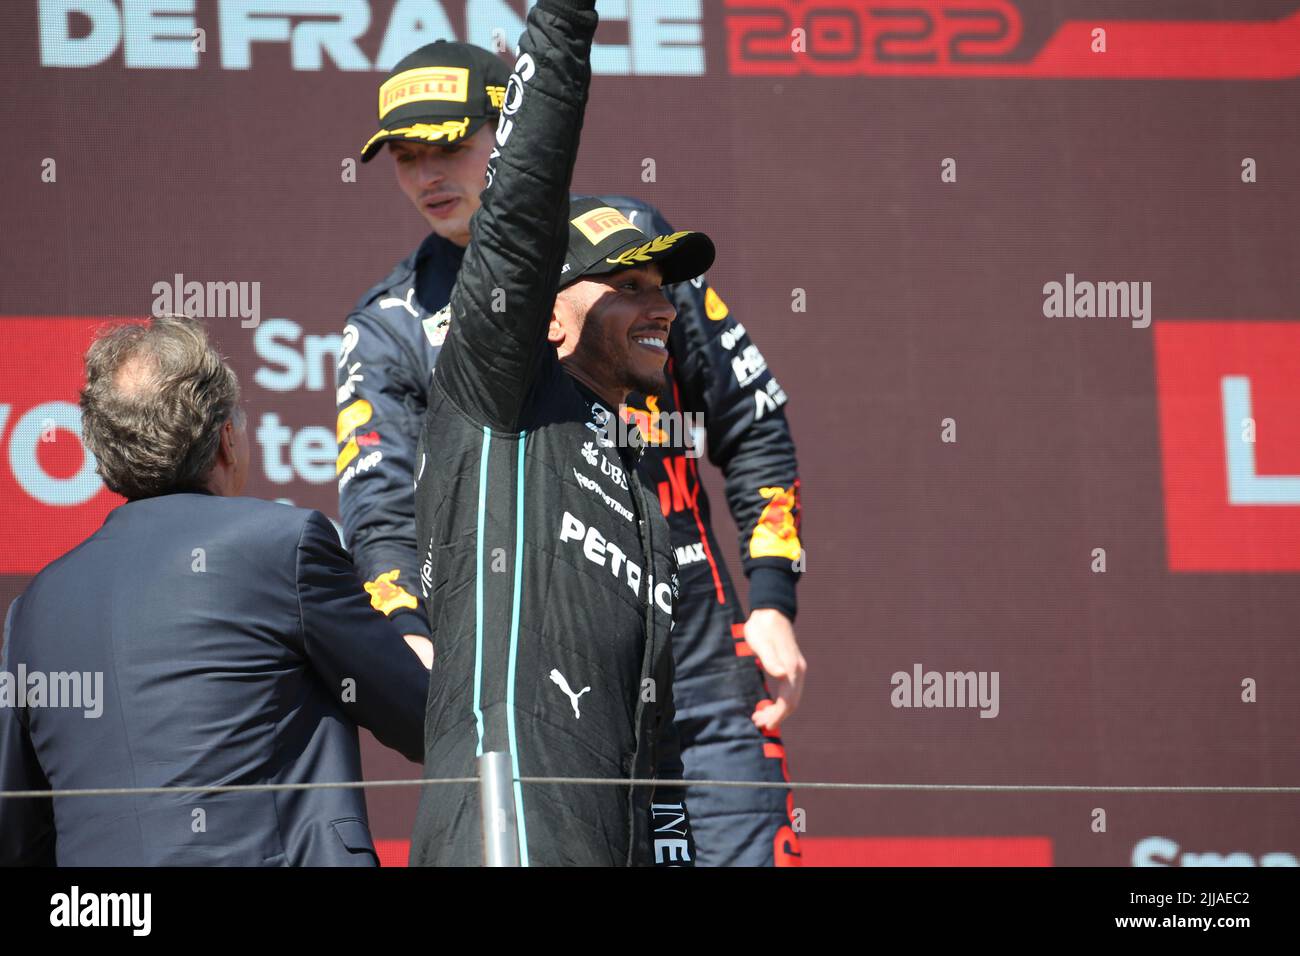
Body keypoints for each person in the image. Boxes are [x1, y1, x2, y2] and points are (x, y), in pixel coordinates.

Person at [339, 41, 807, 865]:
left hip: (697, 673)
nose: (427, 177)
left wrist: (770, 598)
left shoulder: (627, 245)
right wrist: (409, 626)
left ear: (509, 133)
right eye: (406, 159)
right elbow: (379, 510)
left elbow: (751, 422)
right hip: (545, 699)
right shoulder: (390, 325)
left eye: (449, 145)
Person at [391, 0, 712, 867]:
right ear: (546, 318)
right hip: (506, 832)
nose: (659, 308)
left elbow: (657, 747)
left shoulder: (639, 472)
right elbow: (520, 215)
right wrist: (564, 25)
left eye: (660, 286)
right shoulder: (498, 395)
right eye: (624, 284)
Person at [0, 315, 428, 866]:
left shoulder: (35, 609)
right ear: (226, 436)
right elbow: (419, 717)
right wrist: (412, 642)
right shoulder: (284, 545)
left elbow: (16, 831)